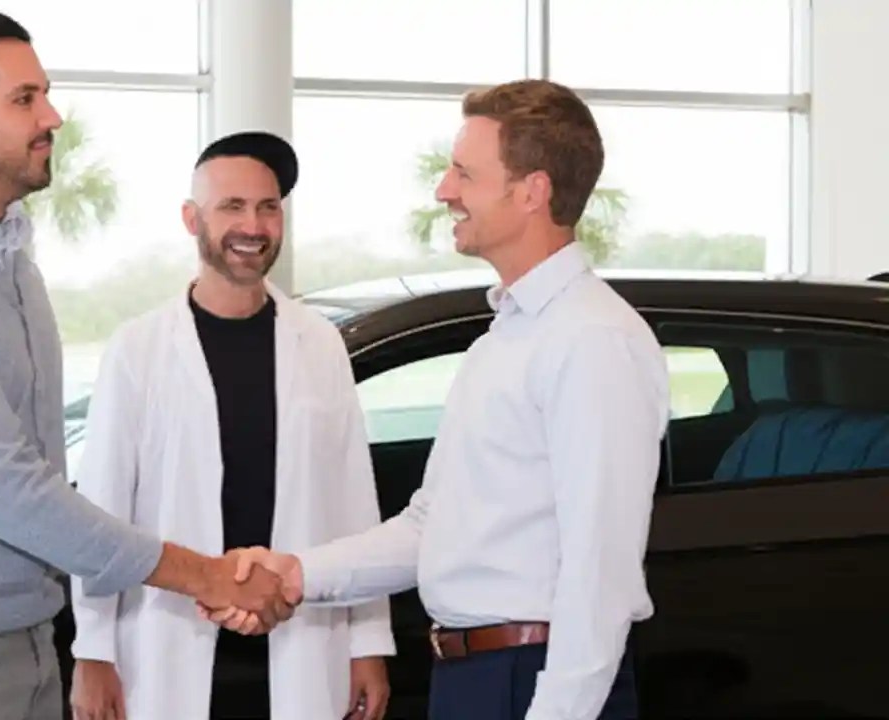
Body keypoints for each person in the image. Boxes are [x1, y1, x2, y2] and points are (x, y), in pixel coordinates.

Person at [0, 12, 292, 720]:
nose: (52, 116)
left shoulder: (9, 261)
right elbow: (13, 491)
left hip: (26, 643)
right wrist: (209, 574)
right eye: (24, 100)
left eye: (45, 94)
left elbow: (42, 471)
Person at [211, 79, 671, 720]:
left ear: (532, 191)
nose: (444, 190)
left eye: (464, 173)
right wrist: (295, 573)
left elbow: (600, 576)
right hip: (476, 678)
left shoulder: (592, 339)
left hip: (532, 681)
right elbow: (434, 524)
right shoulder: (507, 335)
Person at [65, 131, 394, 720]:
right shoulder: (137, 348)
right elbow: (103, 511)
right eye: (233, 207)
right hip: (170, 644)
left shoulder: (318, 341)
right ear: (192, 220)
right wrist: (93, 651)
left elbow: (353, 503)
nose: (254, 225)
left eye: (268, 207)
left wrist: (368, 644)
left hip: (301, 639)